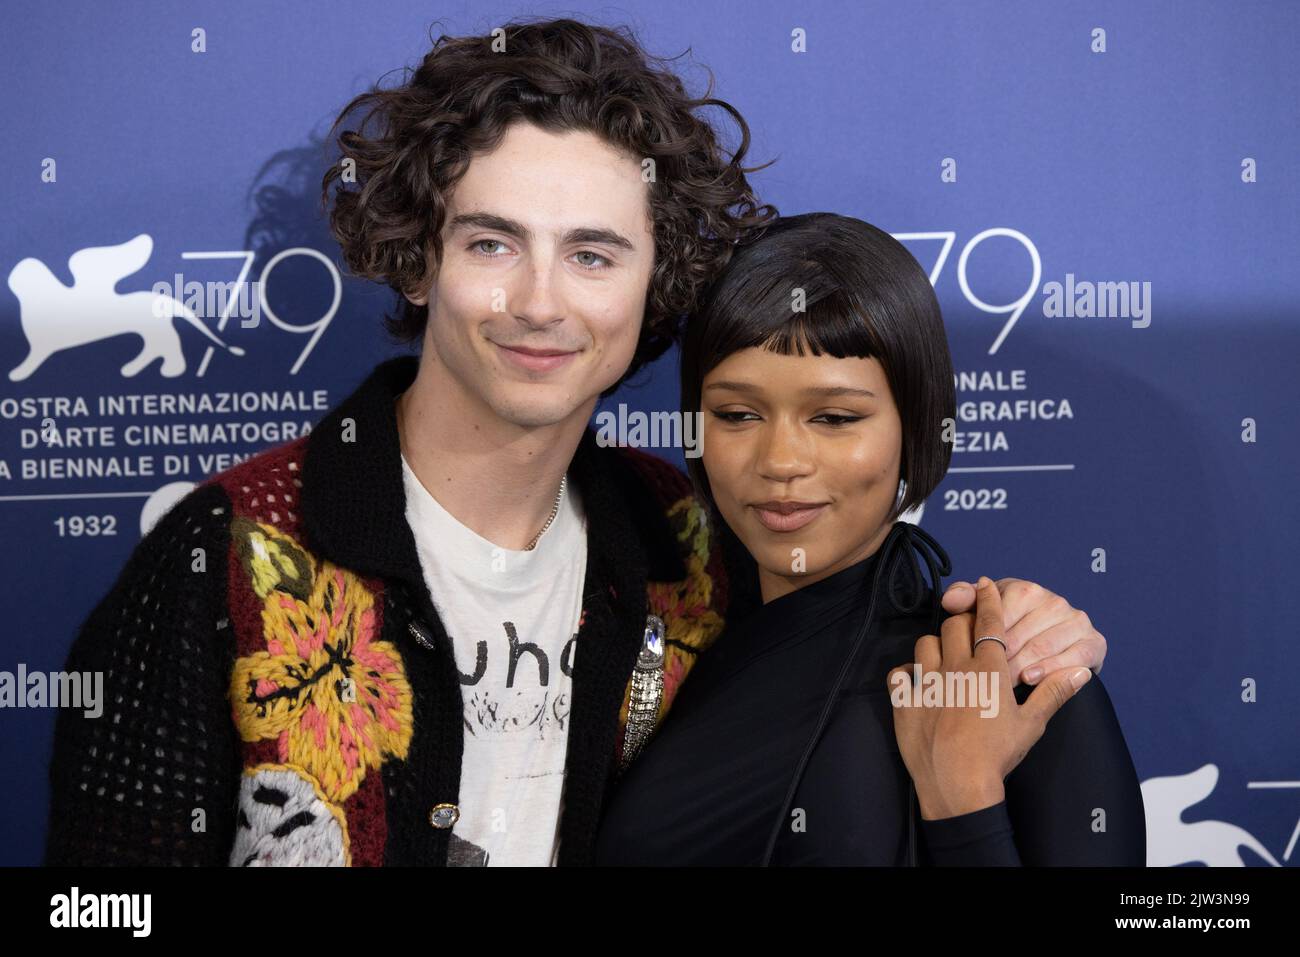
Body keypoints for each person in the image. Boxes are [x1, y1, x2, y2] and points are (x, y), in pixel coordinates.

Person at [44, 19, 1109, 867]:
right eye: (493, 242)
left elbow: (860, 607)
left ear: (657, 284)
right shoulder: (230, 555)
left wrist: (1025, 630)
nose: (540, 302)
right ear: (418, 260)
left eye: (594, 254)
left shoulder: (688, 543)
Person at [594, 213, 1145, 865]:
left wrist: (962, 803)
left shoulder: (1015, 677)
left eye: (834, 417)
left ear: (917, 427)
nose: (781, 459)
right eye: (738, 414)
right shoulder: (671, 636)